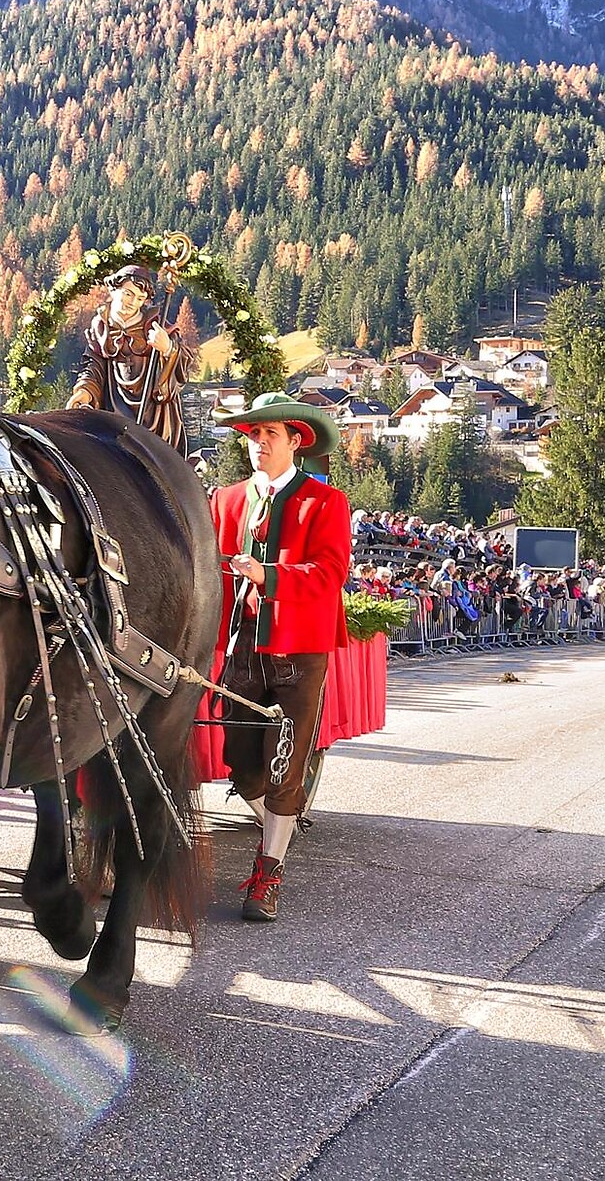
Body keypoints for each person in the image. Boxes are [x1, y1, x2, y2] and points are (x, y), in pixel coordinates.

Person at [209, 390, 352, 923]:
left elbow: (330, 575)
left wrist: (265, 575)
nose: (258, 443)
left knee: (283, 767)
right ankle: (278, 820)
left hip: (299, 651)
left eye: (270, 434)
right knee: (243, 770)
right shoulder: (225, 500)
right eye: (253, 435)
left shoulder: (326, 502)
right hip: (243, 650)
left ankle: (267, 871)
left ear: (297, 441)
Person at [67, 263, 192, 454]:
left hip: (152, 414)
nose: (132, 302)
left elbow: (183, 363)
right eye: (128, 293)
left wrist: (168, 348)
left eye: (140, 298)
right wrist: (85, 391)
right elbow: (93, 365)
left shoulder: (157, 327)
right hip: (112, 409)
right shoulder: (101, 327)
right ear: (114, 290)